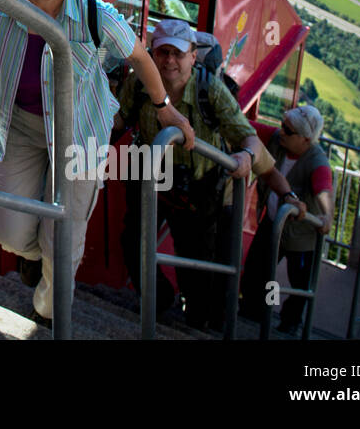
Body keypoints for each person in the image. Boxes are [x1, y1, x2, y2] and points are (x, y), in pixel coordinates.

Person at [0, 0, 194, 323]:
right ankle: (38, 255)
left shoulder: (96, 17)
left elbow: (141, 58)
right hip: (17, 127)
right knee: (8, 233)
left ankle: (49, 314)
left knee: (63, 240)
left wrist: (165, 109)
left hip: (81, 134)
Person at [116, 19, 303, 329]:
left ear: (192, 56)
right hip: (153, 177)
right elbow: (118, 121)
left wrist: (283, 190)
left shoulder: (209, 90)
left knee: (194, 258)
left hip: (198, 187)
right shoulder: (139, 84)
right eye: (162, 53)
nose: (170, 61)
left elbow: (251, 140)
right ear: (151, 54)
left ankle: (197, 319)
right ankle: (159, 298)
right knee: (133, 240)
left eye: (178, 53)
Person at [239, 104, 332, 333]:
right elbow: (245, 127)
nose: (282, 132)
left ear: (306, 139)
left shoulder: (316, 161)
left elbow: (323, 188)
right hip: (273, 223)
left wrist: (327, 215)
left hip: (301, 236)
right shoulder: (278, 141)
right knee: (257, 271)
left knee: (299, 283)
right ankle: (256, 312)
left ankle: (289, 322)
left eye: (289, 131)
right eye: (282, 126)